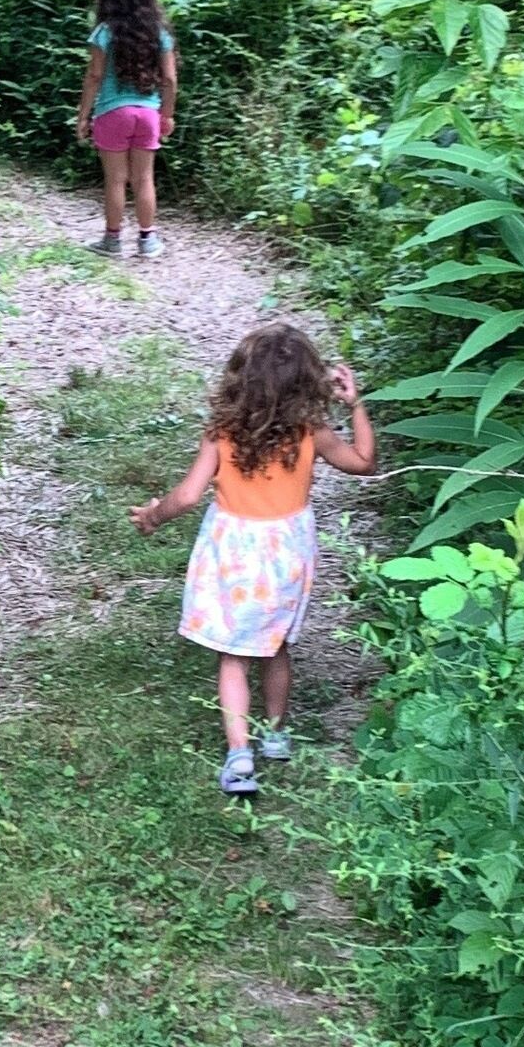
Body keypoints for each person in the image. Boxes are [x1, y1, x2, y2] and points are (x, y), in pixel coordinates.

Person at [132, 323, 375, 792]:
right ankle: (275, 735)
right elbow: (364, 463)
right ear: (307, 382)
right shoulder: (311, 432)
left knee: (233, 655)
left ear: (239, 378)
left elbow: (187, 495)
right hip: (287, 552)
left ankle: (240, 755)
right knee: (275, 644)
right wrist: (356, 404)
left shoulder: (222, 433)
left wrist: (153, 517)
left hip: (235, 553)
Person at [77, 0, 177, 256]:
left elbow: (94, 76)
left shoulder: (104, 33)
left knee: (116, 179)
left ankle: (112, 240)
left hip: (112, 113)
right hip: (148, 113)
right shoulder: (159, 33)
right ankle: (147, 240)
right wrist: (167, 114)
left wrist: (83, 116)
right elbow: (170, 79)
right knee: (144, 178)